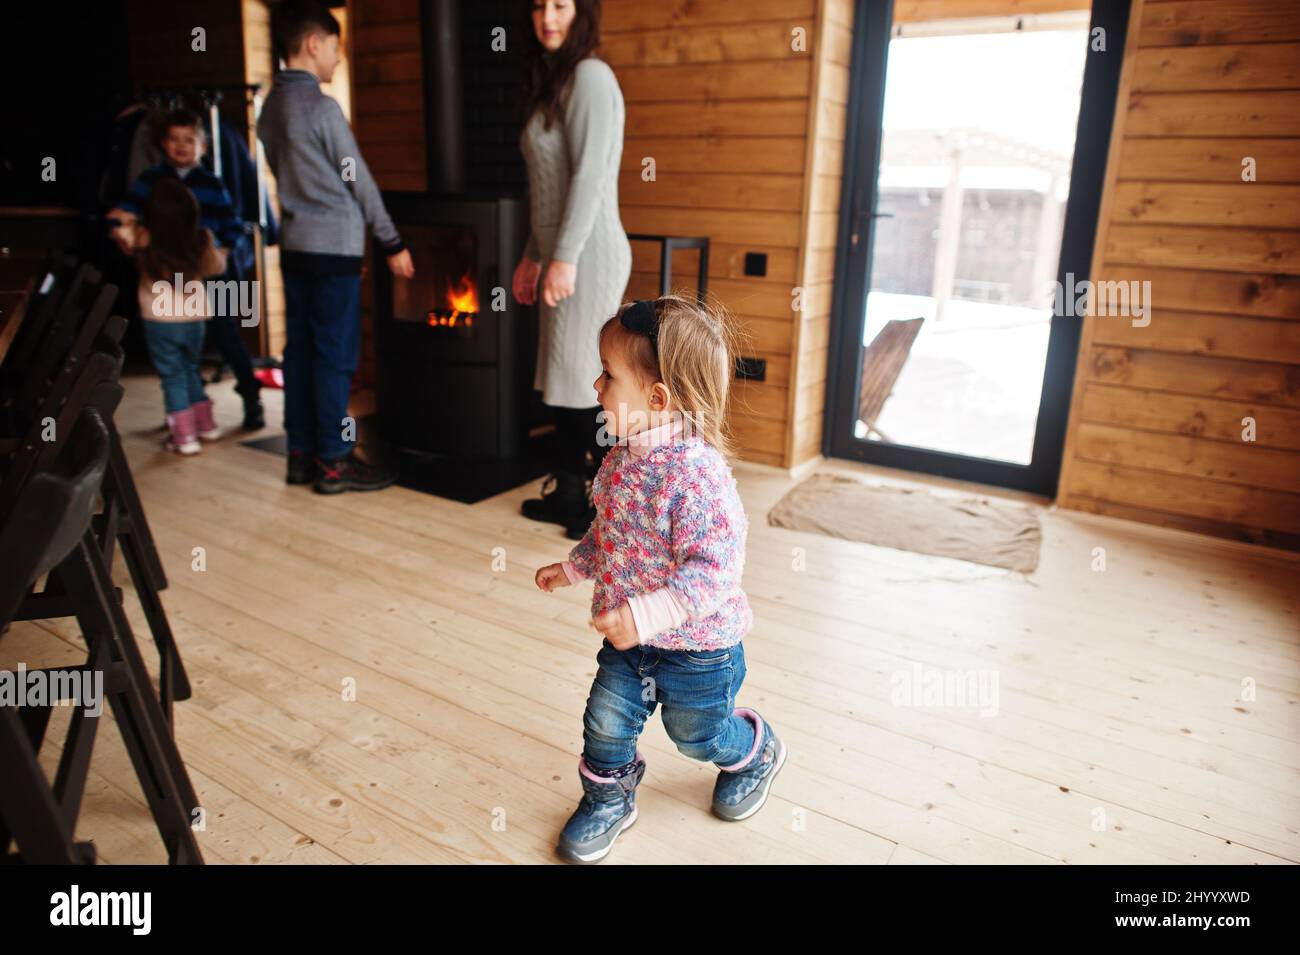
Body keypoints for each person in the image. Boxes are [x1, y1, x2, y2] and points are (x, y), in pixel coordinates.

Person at [534, 295, 786, 864]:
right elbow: (612, 532)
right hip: (631, 644)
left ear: (657, 398)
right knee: (605, 721)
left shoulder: (698, 478)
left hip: (699, 649)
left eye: (609, 374)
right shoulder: (621, 457)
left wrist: (645, 614)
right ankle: (608, 798)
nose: (596, 386)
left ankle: (752, 749)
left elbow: (714, 574)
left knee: (696, 736)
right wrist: (575, 566)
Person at [258, 0, 415, 494]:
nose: (337, 58)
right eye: (333, 47)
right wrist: (390, 240)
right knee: (334, 358)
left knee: (300, 352)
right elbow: (358, 180)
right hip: (334, 249)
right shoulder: (321, 108)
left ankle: (300, 455)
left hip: (297, 246)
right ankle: (334, 460)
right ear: (311, 44)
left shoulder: (270, 107)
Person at [514, 0, 631, 540]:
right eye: (539, 5)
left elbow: (587, 180)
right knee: (560, 378)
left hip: (590, 253)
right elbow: (549, 189)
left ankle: (620, 508)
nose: (547, 16)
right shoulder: (553, 83)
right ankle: (568, 491)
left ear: (581, 12)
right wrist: (533, 257)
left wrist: (562, 257)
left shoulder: (590, 76)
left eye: (559, 4)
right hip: (562, 252)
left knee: (588, 384)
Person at [111, 108, 266, 431]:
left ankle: (251, 398)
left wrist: (219, 252)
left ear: (202, 147)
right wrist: (125, 232)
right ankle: (189, 412)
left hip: (213, 273)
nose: (181, 146)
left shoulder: (212, 183)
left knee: (228, 336)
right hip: (172, 274)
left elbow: (234, 227)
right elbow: (121, 214)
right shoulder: (150, 181)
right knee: (179, 343)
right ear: (163, 144)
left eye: (189, 140)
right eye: (174, 139)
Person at [113, 177, 229, 455]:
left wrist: (129, 220)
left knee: (172, 376)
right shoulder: (200, 238)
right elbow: (218, 267)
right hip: (194, 318)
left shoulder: (144, 238)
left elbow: (119, 233)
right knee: (190, 369)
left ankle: (185, 437)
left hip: (160, 319)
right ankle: (206, 425)